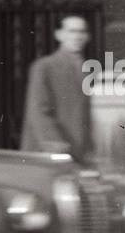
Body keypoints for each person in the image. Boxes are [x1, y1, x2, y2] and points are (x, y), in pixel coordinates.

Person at [20, 14, 93, 163]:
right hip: (50, 153)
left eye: (82, 32)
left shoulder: (91, 70)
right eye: (72, 31)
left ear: (87, 37)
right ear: (59, 35)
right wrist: (55, 144)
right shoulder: (44, 66)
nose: (77, 36)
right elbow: (38, 110)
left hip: (81, 153)